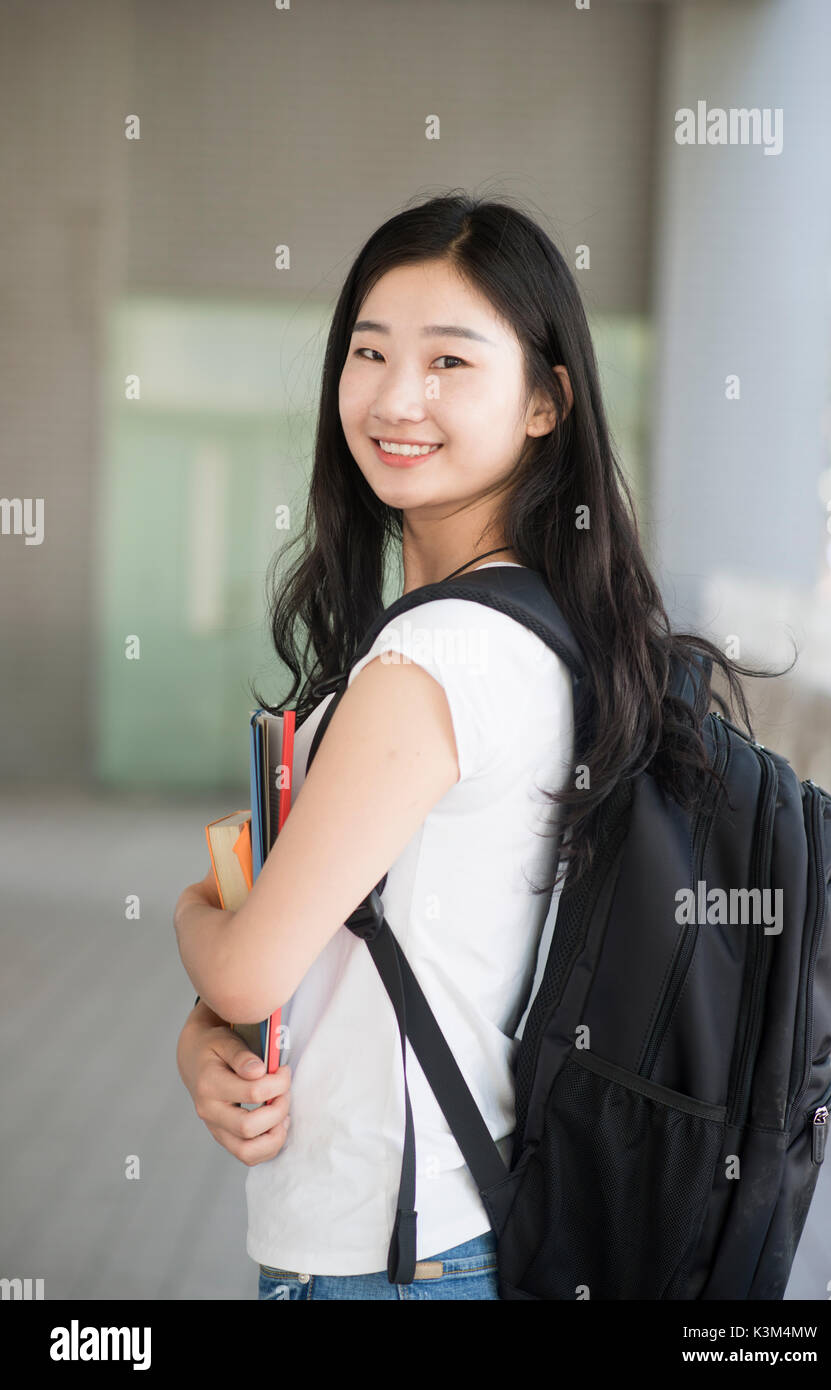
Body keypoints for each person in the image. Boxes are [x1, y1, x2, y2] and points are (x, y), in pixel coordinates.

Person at [173, 192, 761, 1301]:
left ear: (547, 400)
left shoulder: (435, 661)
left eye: (451, 362)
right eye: (370, 350)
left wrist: (186, 919)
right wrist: (207, 1034)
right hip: (458, 1224)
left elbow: (253, 963)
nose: (399, 396)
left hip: (387, 1256)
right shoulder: (549, 630)